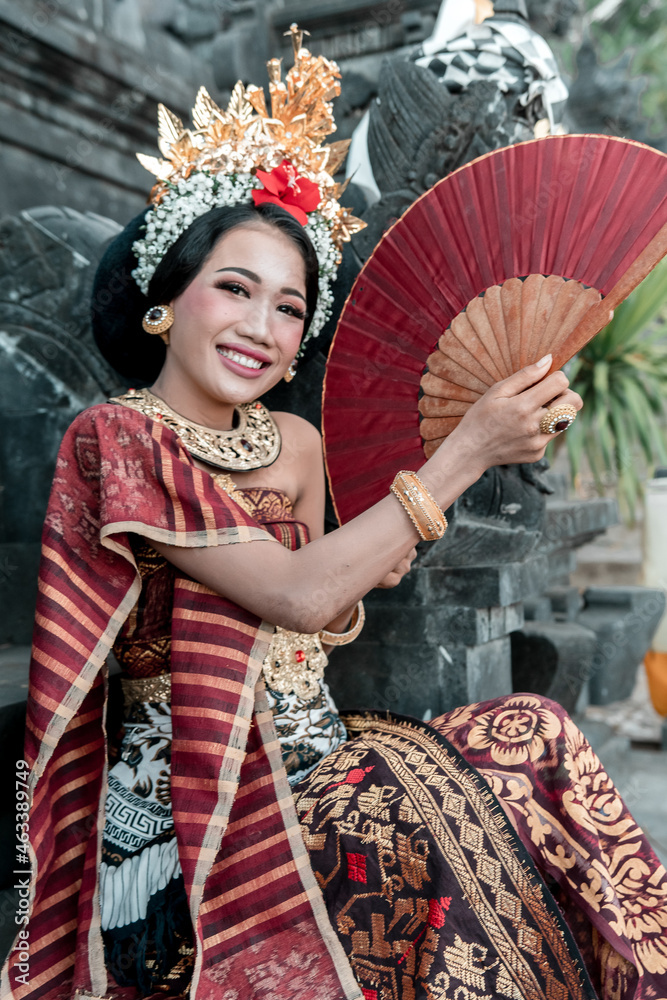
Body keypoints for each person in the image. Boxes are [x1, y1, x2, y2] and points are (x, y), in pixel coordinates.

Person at [4, 28, 666, 1000]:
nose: (263, 329)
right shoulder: (119, 439)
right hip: (200, 798)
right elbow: (301, 592)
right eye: (234, 290)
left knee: (537, 736)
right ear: (163, 303)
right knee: (436, 830)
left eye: (288, 307)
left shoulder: (296, 445)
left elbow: (326, 608)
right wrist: (462, 454)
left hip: (316, 747)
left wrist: (395, 542)